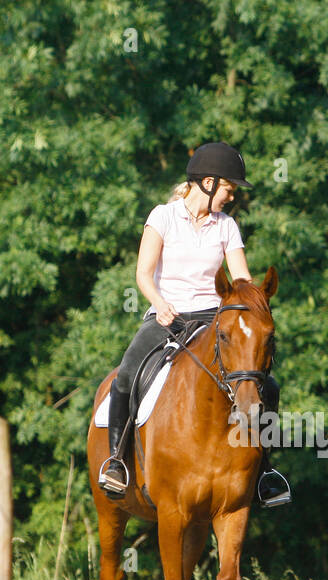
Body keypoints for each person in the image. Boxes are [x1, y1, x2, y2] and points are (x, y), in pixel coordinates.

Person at [99, 142, 290, 506]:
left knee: (269, 385)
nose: (231, 197)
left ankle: (265, 471)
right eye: (228, 189)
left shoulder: (227, 226)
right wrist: (159, 304)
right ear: (207, 183)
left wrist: (252, 300)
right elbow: (142, 273)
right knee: (127, 372)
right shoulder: (163, 217)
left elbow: (241, 279)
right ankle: (117, 462)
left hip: (213, 318)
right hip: (167, 314)